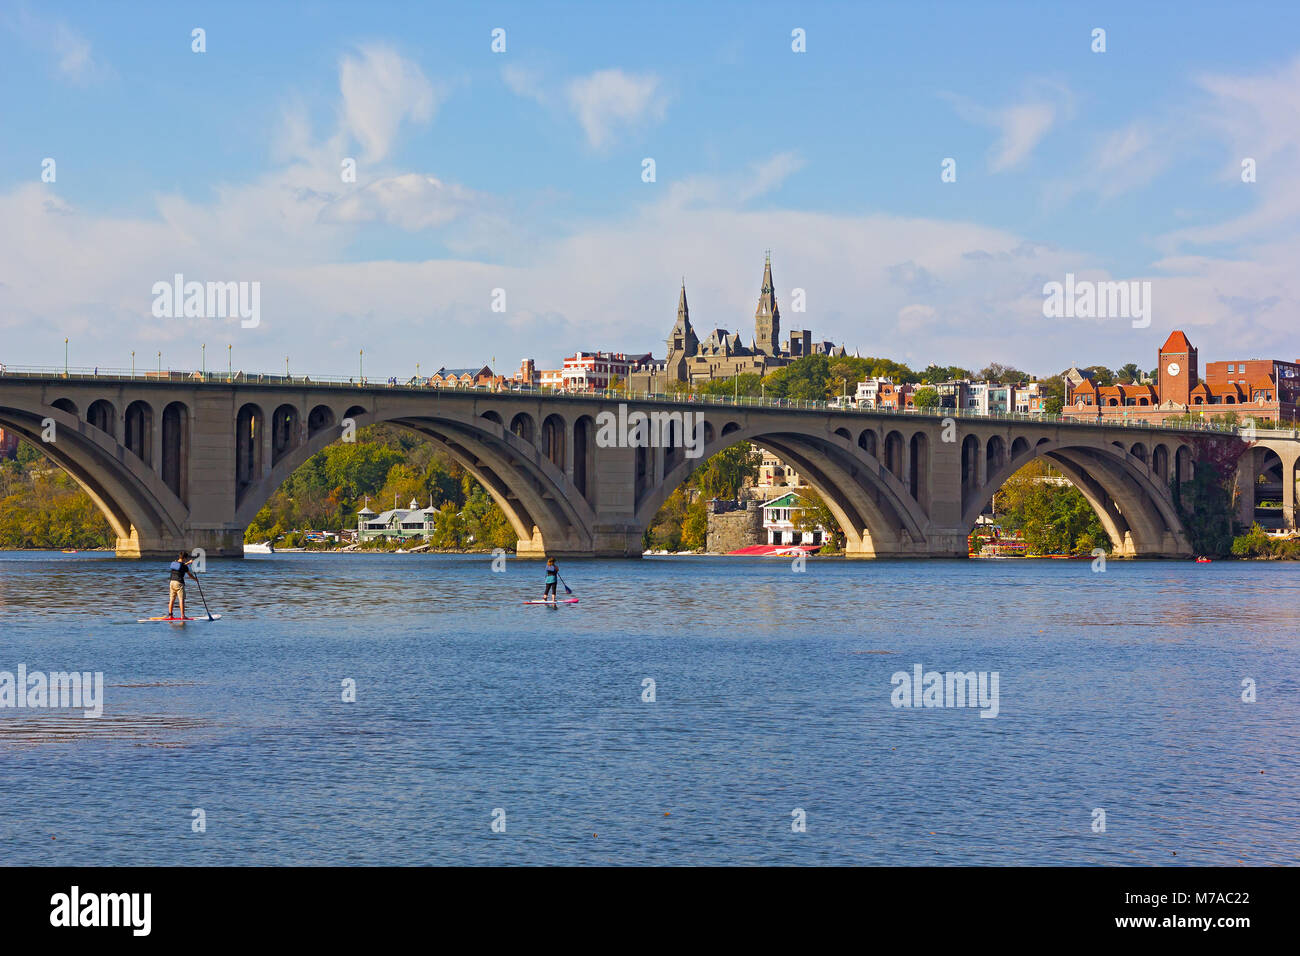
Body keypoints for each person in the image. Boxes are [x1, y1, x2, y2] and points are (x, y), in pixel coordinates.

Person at [167, 551, 197, 619]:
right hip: (179, 583)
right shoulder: (184, 566)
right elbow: (190, 575)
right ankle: (183, 616)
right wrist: (195, 579)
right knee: (181, 600)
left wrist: (188, 563)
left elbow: (181, 566)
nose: (186, 560)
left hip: (172, 582)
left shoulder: (174, 563)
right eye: (186, 558)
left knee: (172, 599)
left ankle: (170, 615)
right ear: (184, 558)